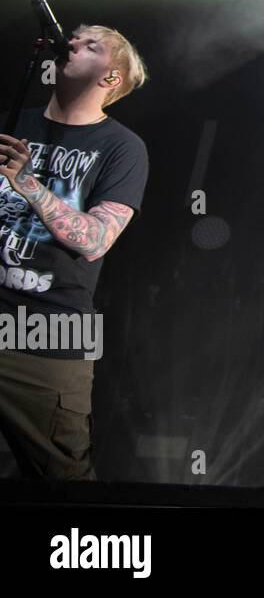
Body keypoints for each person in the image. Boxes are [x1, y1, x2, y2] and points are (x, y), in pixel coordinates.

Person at [0, 25, 149, 479]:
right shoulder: (13, 124)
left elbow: (95, 240)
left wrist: (26, 183)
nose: (74, 42)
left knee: (62, 481)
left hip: (48, 333)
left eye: (92, 45)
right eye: (76, 36)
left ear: (111, 79)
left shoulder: (122, 148)